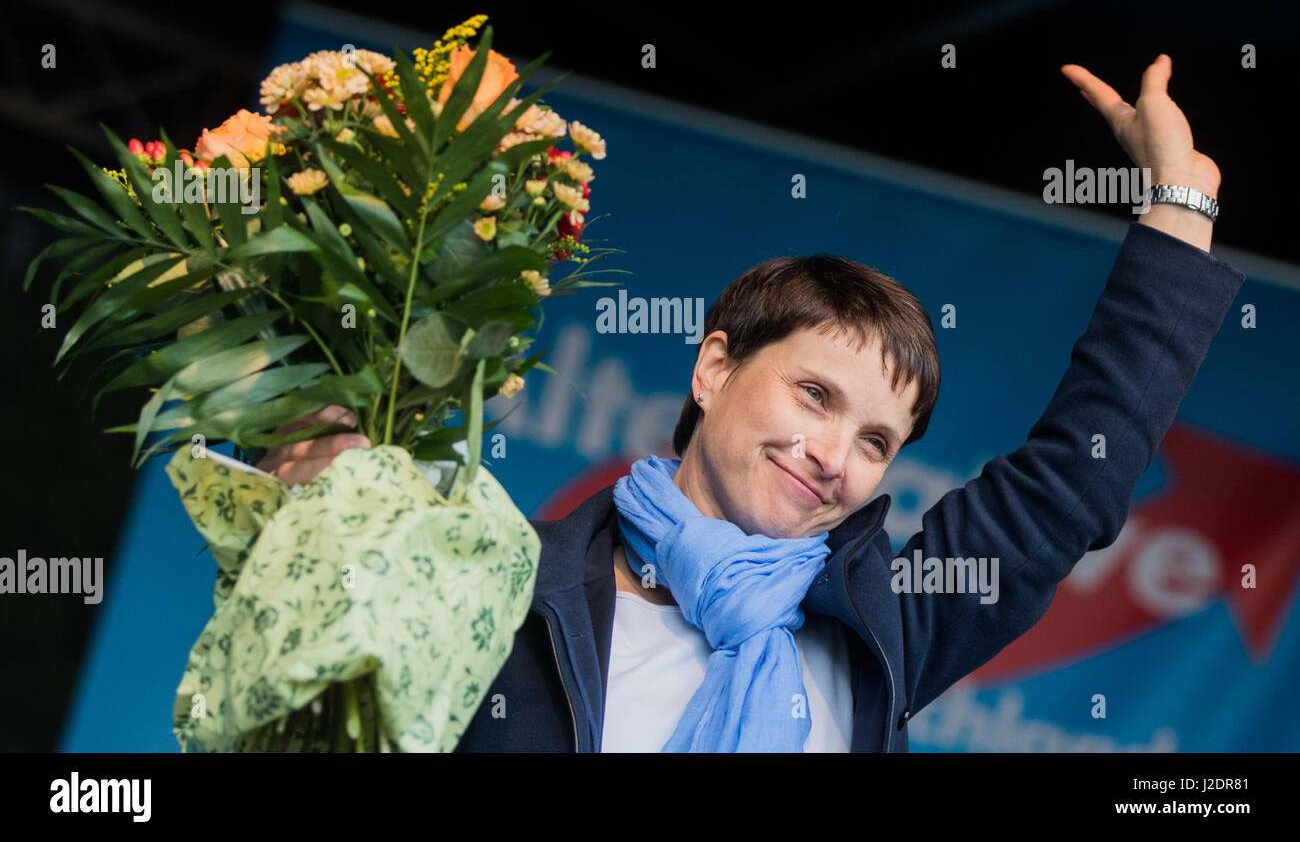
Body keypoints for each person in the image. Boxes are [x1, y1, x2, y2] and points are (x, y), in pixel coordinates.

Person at [254, 55, 1245, 752]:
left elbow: (1072, 477)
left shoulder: (882, 625)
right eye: (814, 393)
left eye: (875, 439)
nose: (832, 452)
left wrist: (1178, 207)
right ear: (714, 366)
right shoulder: (500, 580)